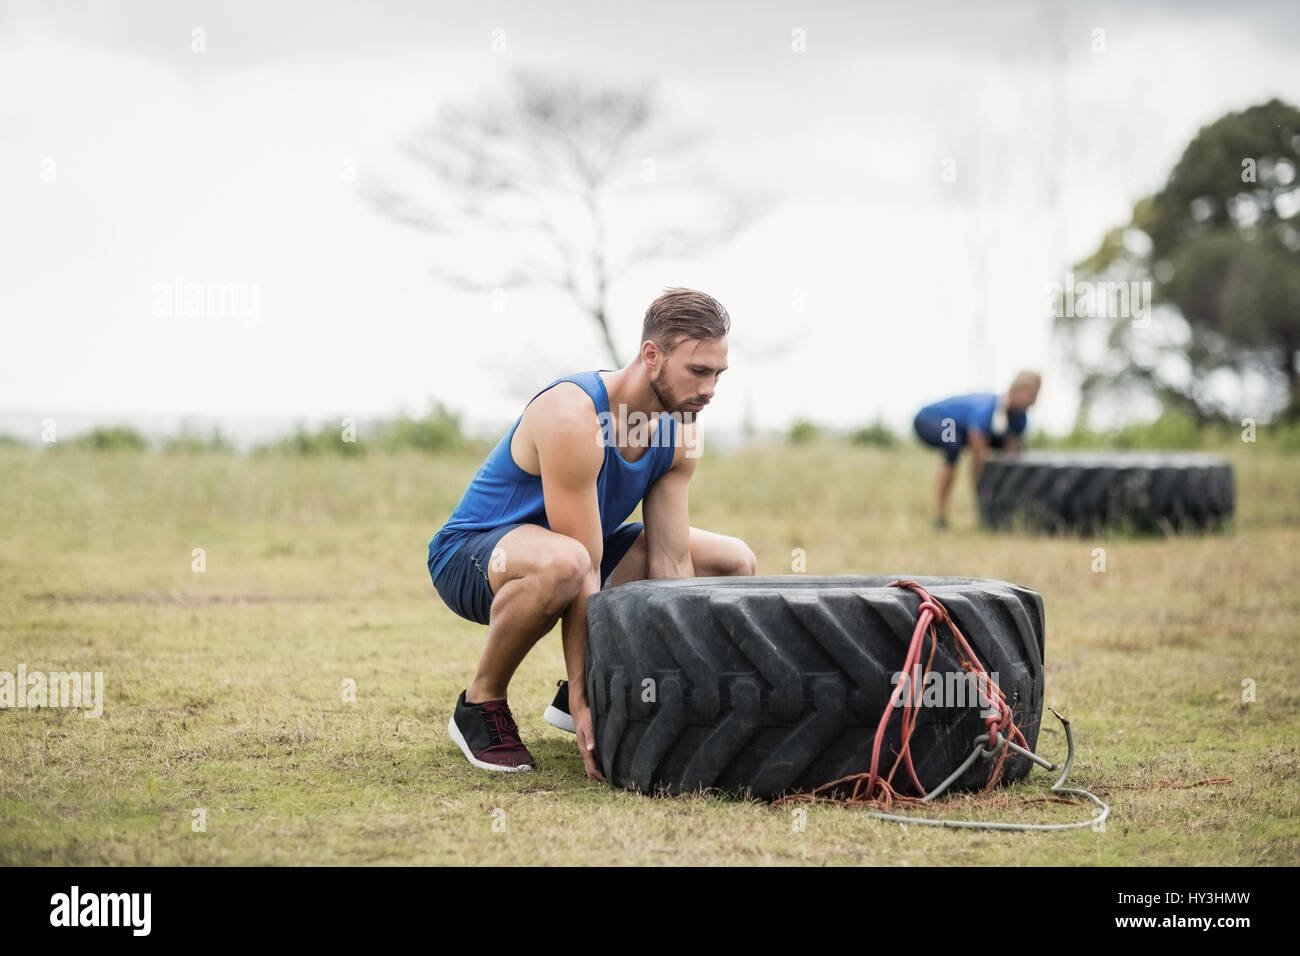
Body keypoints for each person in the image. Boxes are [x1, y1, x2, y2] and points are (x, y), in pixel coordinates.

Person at [427, 288, 758, 778]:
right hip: (475, 558)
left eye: (717, 374)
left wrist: (685, 683)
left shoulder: (680, 428)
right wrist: (585, 701)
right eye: (698, 371)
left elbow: (670, 563)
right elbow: (583, 564)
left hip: (579, 554)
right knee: (567, 563)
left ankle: (602, 690)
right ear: (651, 355)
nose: (710, 389)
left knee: (732, 560)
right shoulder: (573, 417)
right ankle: (481, 704)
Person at [913, 371, 1041, 528]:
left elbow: (1011, 458)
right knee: (953, 445)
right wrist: (981, 497)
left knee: (1013, 453)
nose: (1034, 401)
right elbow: (977, 459)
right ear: (1017, 390)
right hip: (933, 419)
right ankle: (940, 516)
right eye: (1031, 395)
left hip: (962, 431)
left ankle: (1005, 515)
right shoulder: (987, 411)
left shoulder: (1020, 419)